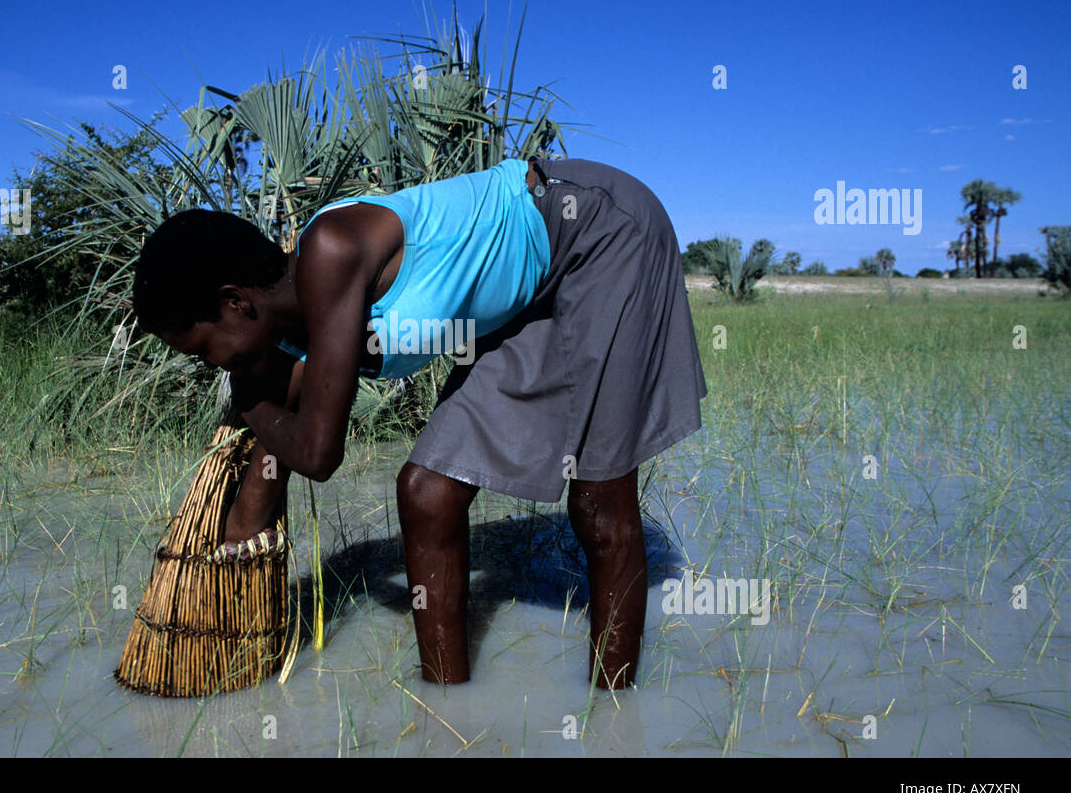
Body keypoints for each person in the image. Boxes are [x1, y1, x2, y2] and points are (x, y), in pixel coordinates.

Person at [131, 155, 707, 689]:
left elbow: (317, 453)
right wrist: (225, 552)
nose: (215, 367)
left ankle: (613, 717)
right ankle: (448, 714)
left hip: (595, 231)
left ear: (235, 303)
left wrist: (250, 399)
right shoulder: (285, 333)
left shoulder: (330, 252)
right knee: (427, 492)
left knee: (598, 502)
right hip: (520, 296)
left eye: (204, 349)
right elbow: (273, 466)